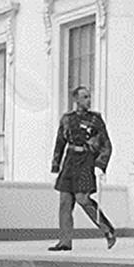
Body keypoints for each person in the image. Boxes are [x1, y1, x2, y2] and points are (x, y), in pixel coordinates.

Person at [48, 85, 116, 251]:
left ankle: (108, 230)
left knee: (82, 199)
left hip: (86, 161)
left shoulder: (95, 120)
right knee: (65, 202)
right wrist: (55, 165)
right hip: (70, 161)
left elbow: (106, 144)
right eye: (84, 97)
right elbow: (59, 143)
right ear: (76, 99)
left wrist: (100, 165)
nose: (88, 100)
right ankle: (64, 242)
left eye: (89, 97)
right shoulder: (66, 119)